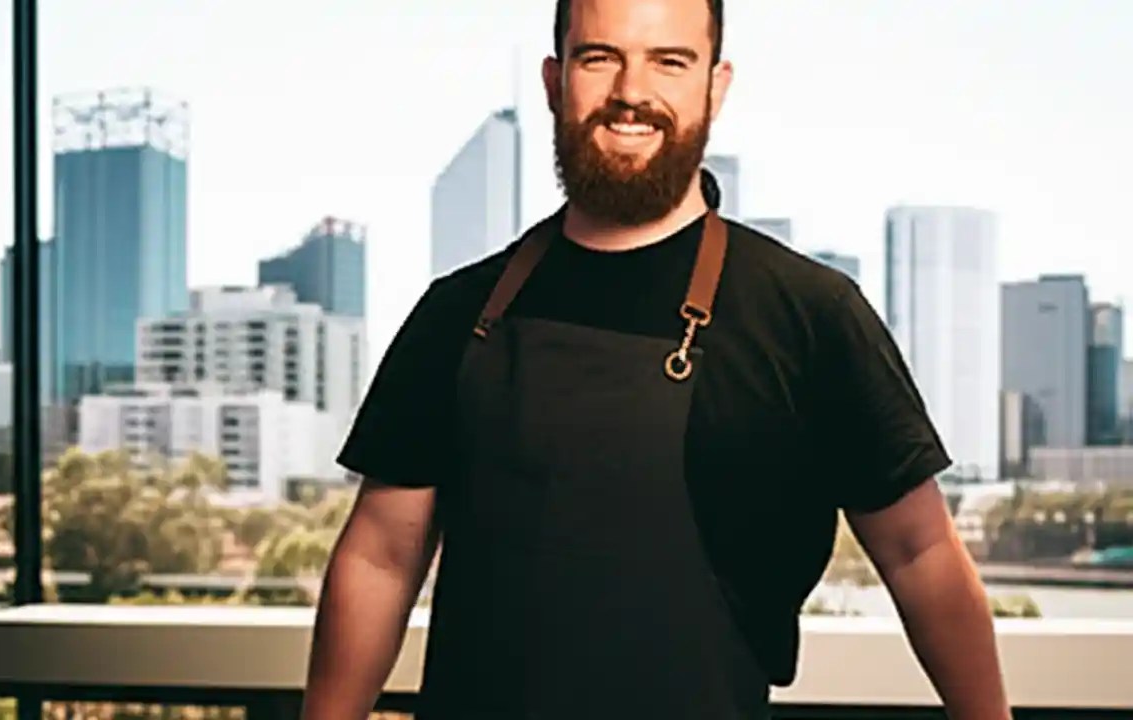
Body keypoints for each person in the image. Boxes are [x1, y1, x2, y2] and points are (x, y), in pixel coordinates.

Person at [301, 0, 1010, 717]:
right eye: (599, 57)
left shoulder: (811, 314)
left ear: (716, 86)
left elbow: (920, 555)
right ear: (554, 81)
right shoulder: (456, 312)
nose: (631, 92)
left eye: (669, 61)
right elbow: (380, 558)